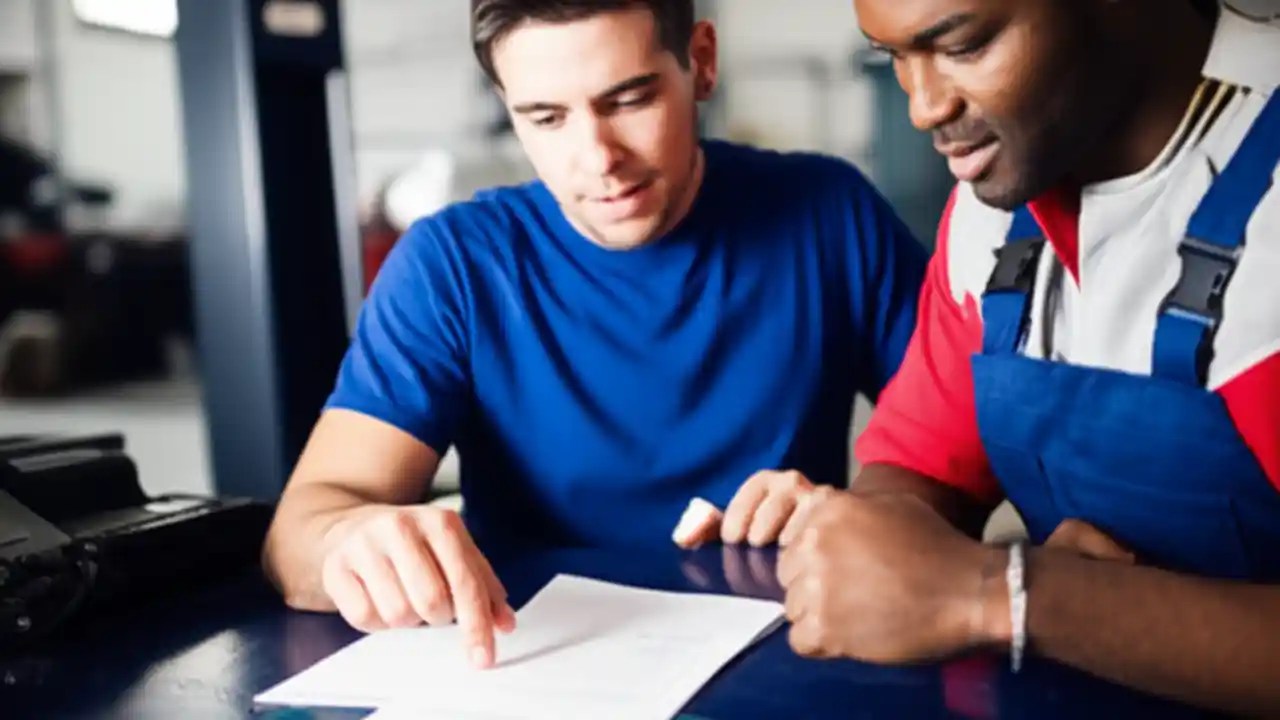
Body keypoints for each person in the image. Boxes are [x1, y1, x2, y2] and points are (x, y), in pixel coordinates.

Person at [262, 0, 928, 669]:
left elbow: (959, 464)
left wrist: (860, 516)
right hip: (534, 671)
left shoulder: (831, 215)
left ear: (701, 61)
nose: (597, 159)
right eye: (545, 117)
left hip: (791, 661)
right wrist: (354, 542)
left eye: (629, 100)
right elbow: (298, 536)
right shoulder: (452, 267)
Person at [776, 0, 1280, 716]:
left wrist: (1009, 596)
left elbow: (993, 589)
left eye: (965, 45)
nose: (922, 106)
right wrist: (870, 550)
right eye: (893, 56)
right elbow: (916, 466)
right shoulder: (993, 205)